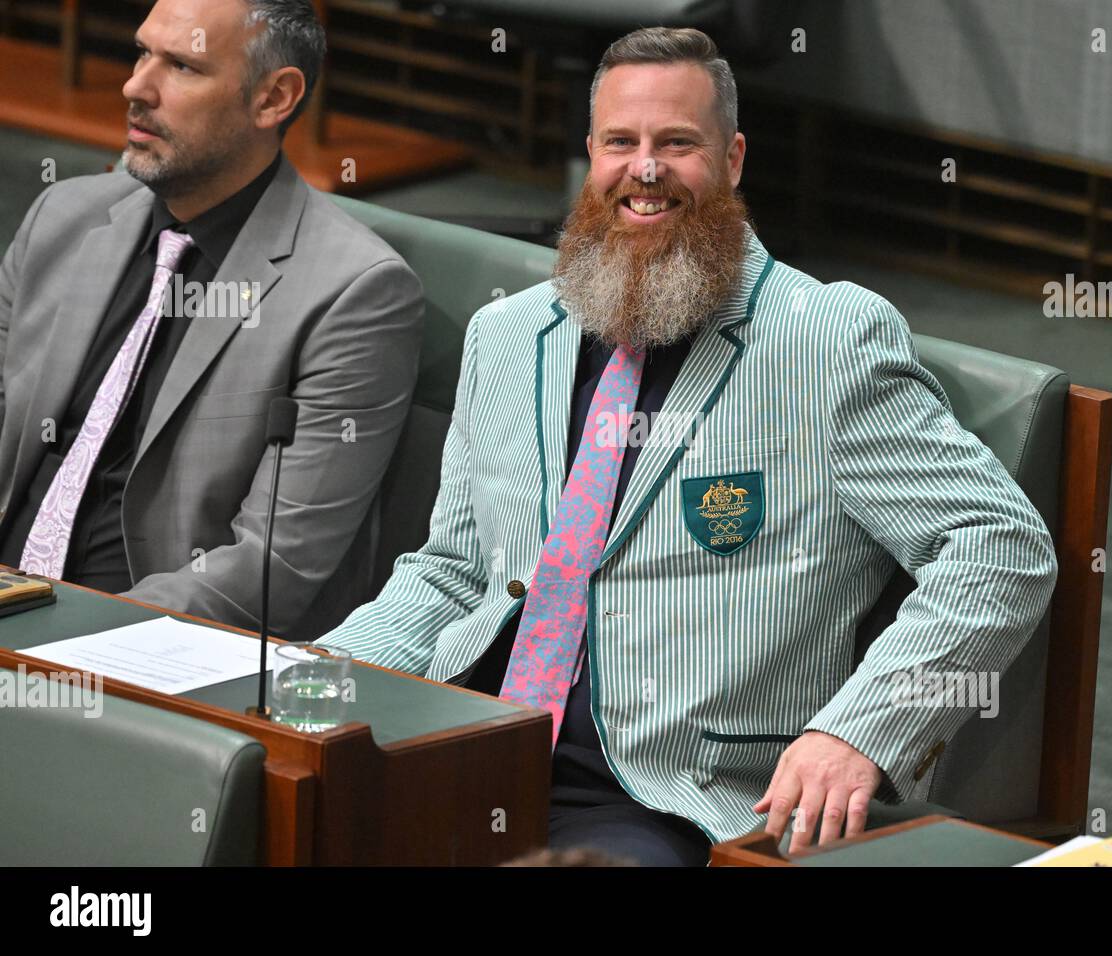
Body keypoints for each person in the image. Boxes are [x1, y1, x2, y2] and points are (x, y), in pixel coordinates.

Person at [323, 27, 1057, 865]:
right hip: (459, 746)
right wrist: (318, 681)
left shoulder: (825, 340)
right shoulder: (509, 333)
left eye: (678, 143)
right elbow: (453, 571)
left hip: (658, 800)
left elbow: (997, 548)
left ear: (734, 158)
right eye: (621, 143)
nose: (645, 169)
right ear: (590, 154)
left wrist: (857, 735)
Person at [0, 0, 423, 638]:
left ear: (273, 98)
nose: (136, 86)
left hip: (140, 661)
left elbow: (271, 566)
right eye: (143, 52)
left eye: (183, 66)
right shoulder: (62, 218)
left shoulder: (355, 293)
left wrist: (67, 639)